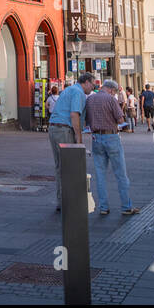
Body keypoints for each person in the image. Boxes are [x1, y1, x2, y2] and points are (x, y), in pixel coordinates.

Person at [84, 81, 138, 217]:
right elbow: (120, 120)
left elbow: (87, 120)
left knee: (100, 175)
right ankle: (126, 206)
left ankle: (103, 207)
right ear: (112, 90)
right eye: (114, 91)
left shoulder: (89, 99)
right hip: (111, 137)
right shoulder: (111, 99)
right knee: (120, 174)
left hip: (96, 138)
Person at [48, 73, 96, 212]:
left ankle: (61, 201)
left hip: (54, 128)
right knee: (68, 167)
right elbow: (74, 114)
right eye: (92, 84)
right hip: (64, 130)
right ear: (86, 82)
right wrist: (79, 139)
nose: (93, 88)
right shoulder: (78, 92)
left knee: (60, 167)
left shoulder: (69, 89)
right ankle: (67, 202)